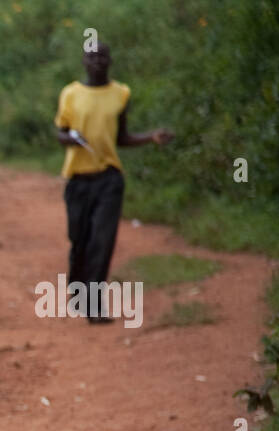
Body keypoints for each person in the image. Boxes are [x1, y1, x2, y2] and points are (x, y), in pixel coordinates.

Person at [54, 42, 172, 322]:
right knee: (79, 240)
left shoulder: (120, 94)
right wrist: (71, 138)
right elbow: (60, 133)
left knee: (102, 240)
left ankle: (94, 307)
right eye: (91, 57)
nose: (96, 62)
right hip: (77, 179)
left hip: (108, 179)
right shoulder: (71, 94)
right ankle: (78, 296)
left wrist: (151, 137)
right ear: (83, 61)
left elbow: (122, 137)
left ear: (110, 60)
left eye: (102, 57)